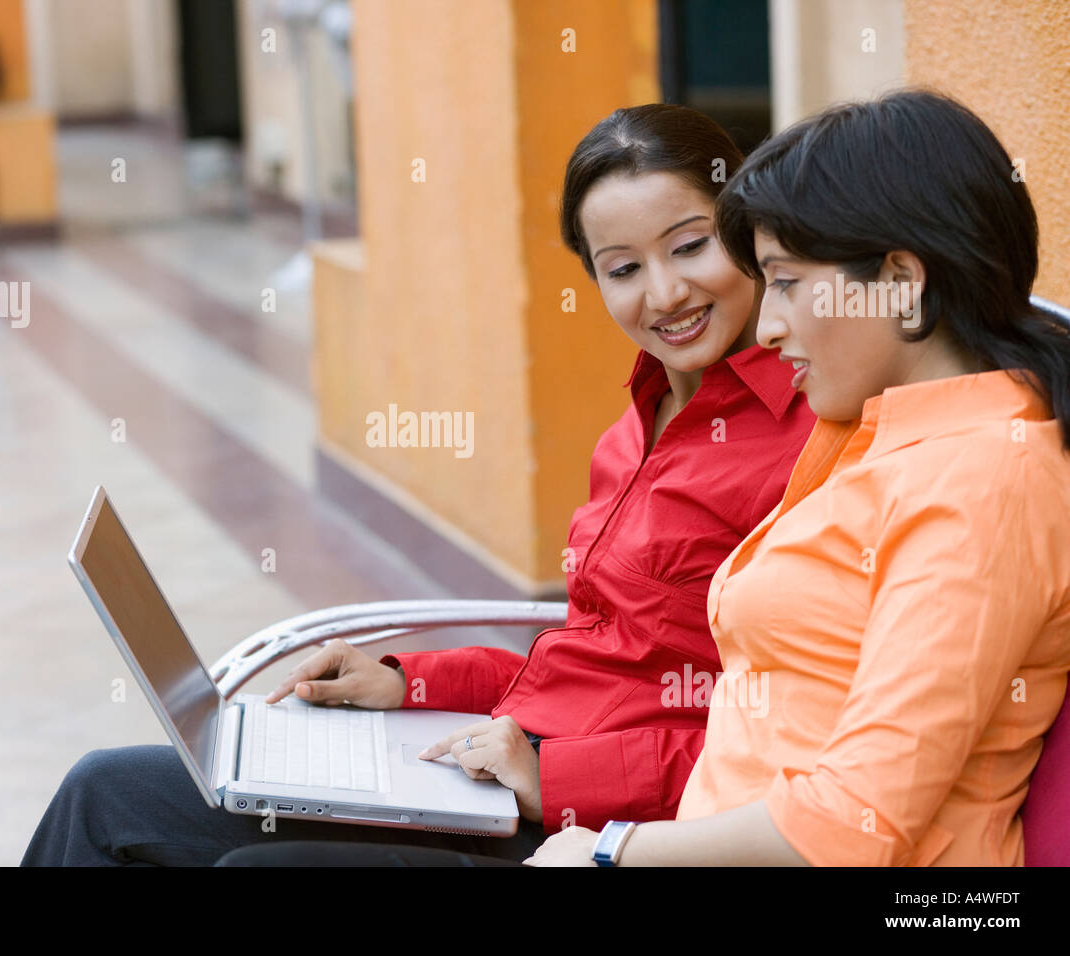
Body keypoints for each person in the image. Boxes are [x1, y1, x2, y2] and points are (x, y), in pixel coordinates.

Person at [222, 88, 1070, 867]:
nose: (769, 327)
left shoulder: (971, 476)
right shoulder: (875, 434)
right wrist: (419, 683)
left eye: (781, 283)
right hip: (644, 822)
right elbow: (613, 656)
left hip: (643, 829)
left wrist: (603, 839)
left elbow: (850, 811)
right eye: (622, 268)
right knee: (144, 797)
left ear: (899, 282)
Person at [20, 104, 817, 866]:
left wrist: (559, 781)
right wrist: (405, 681)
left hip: (600, 828)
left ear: (750, 234)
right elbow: (584, 657)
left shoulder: (808, 447)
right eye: (623, 268)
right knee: (105, 793)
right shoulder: (631, 430)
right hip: (500, 765)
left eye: (690, 246)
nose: (667, 292)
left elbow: (792, 738)